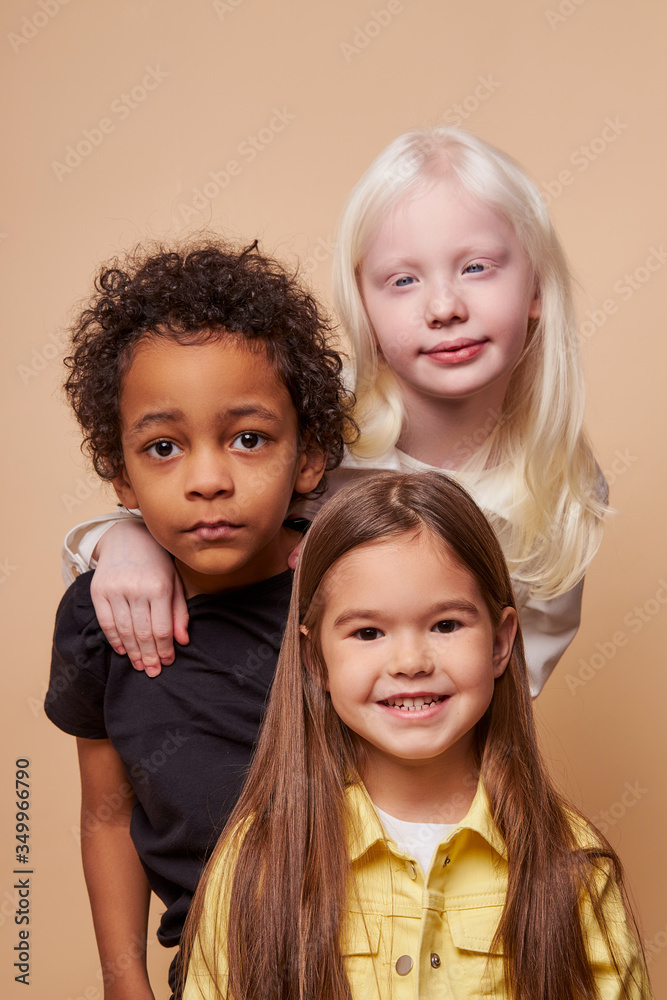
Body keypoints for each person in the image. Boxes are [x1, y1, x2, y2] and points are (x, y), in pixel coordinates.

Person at [61, 127, 607, 695]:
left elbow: (519, 688)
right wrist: (123, 541)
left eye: (476, 268)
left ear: (538, 287)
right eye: (403, 279)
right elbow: (177, 490)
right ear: (362, 305)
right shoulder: (315, 415)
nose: (445, 307)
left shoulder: (564, 485)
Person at [181, 471, 650, 1000]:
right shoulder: (258, 862)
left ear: (500, 643)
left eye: (446, 625)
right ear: (316, 659)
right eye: (368, 633)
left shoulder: (572, 864)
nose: (410, 662)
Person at [45, 238, 353, 999]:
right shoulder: (99, 619)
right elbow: (108, 819)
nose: (208, 480)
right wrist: (124, 978)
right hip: (216, 976)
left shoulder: (352, 588)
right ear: (119, 473)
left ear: (309, 456)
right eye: (163, 447)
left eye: (248, 439)